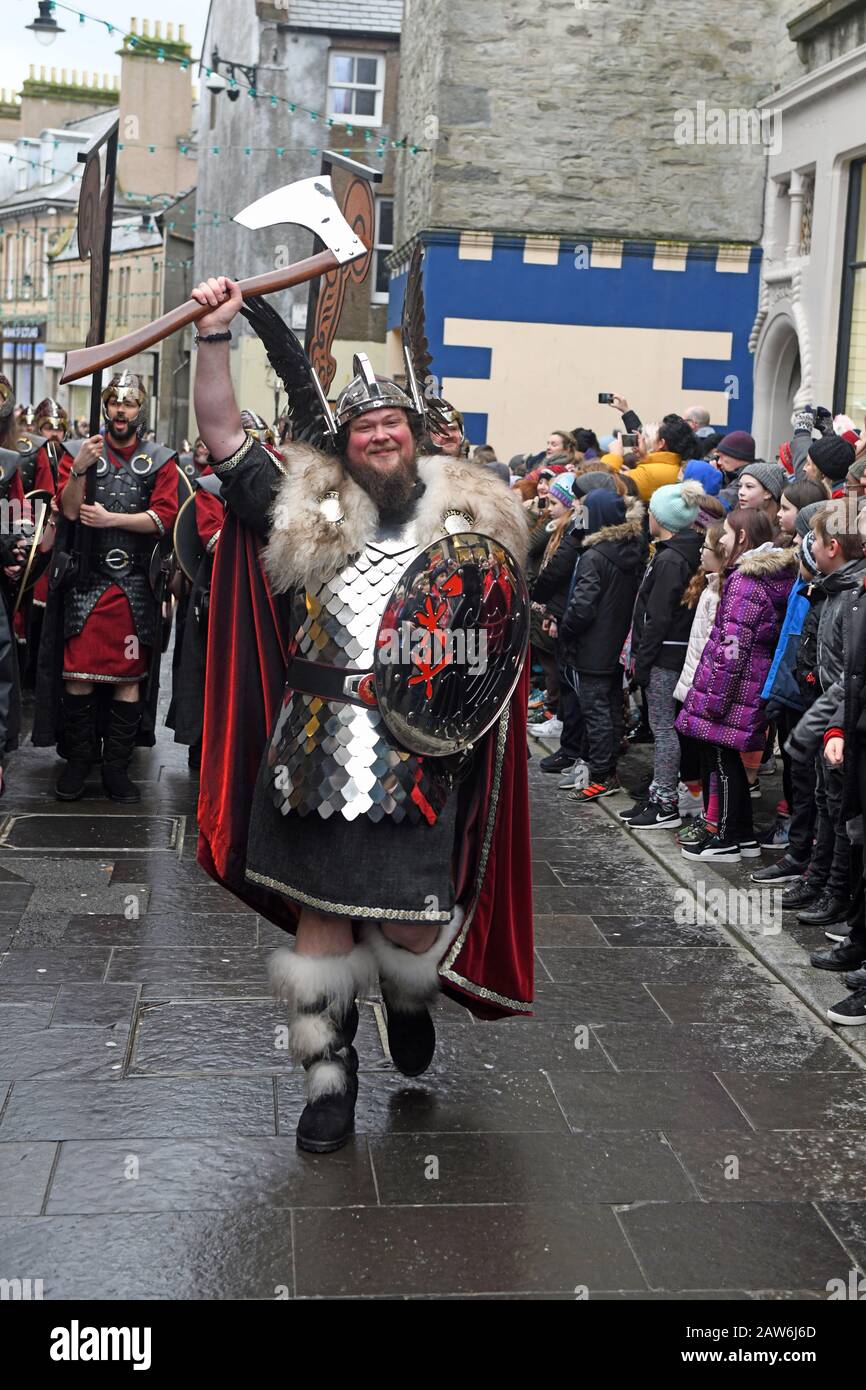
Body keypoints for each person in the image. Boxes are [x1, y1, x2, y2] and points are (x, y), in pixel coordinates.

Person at [189, 275, 534, 1155]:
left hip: (422, 750)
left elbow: (494, 628)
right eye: (363, 429)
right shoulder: (305, 501)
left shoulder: (468, 514)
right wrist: (216, 339)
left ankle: (410, 994)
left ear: (414, 436)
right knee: (323, 918)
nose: (379, 436)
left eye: (393, 426)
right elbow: (224, 437)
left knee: (416, 919)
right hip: (314, 746)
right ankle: (327, 1081)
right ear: (345, 443)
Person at [33, 371, 180, 803]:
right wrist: (79, 468)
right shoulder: (79, 452)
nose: (120, 411)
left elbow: (163, 518)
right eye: (115, 402)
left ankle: (116, 768)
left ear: (141, 410)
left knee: (127, 678)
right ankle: (79, 763)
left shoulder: (161, 459)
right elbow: (71, 510)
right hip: (86, 580)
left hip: (133, 585)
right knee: (76, 674)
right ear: (105, 407)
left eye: (129, 404)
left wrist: (113, 520)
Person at [676, 509, 797, 861]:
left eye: (726, 533)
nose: (721, 539)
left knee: (722, 759)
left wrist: (715, 696)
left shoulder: (745, 580)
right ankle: (739, 832)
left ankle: (726, 837)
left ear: (742, 538)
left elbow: (732, 644)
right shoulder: (772, 576)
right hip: (746, 683)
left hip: (733, 686)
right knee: (727, 759)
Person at [783, 502, 866, 926]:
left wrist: (827, 726)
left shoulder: (852, 595)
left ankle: (836, 890)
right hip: (829, 719)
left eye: (813, 540)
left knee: (838, 809)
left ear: (833, 546)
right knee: (823, 800)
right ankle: (818, 879)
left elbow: (846, 675)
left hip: (843, 723)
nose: (808, 547)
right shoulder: (834, 589)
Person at [622, 479, 704, 829]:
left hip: (665, 656)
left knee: (663, 727)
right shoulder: (682, 551)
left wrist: (642, 659)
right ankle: (662, 792)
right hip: (672, 653)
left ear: (661, 519)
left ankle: (666, 801)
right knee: (667, 726)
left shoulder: (671, 559)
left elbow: (657, 616)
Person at [559, 489, 645, 801]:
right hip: (616, 646)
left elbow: (582, 607)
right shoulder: (630, 550)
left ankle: (601, 775)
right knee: (609, 709)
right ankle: (608, 771)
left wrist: (567, 630)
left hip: (592, 647)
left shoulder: (594, 556)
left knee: (595, 711)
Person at [623, 416, 697, 503]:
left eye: (645, 438)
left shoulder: (646, 473)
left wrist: (615, 456)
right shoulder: (678, 465)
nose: (639, 442)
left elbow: (606, 485)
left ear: (661, 443)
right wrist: (644, 458)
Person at [737, 461, 790, 530]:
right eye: (740, 486)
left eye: (749, 486)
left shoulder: (786, 527)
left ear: (768, 493)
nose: (741, 492)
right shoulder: (736, 519)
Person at [714, 431, 756, 508]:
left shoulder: (751, 480)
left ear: (738, 456)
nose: (719, 462)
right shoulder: (731, 475)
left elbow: (717, 505)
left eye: (722, 456)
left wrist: (711, 481)